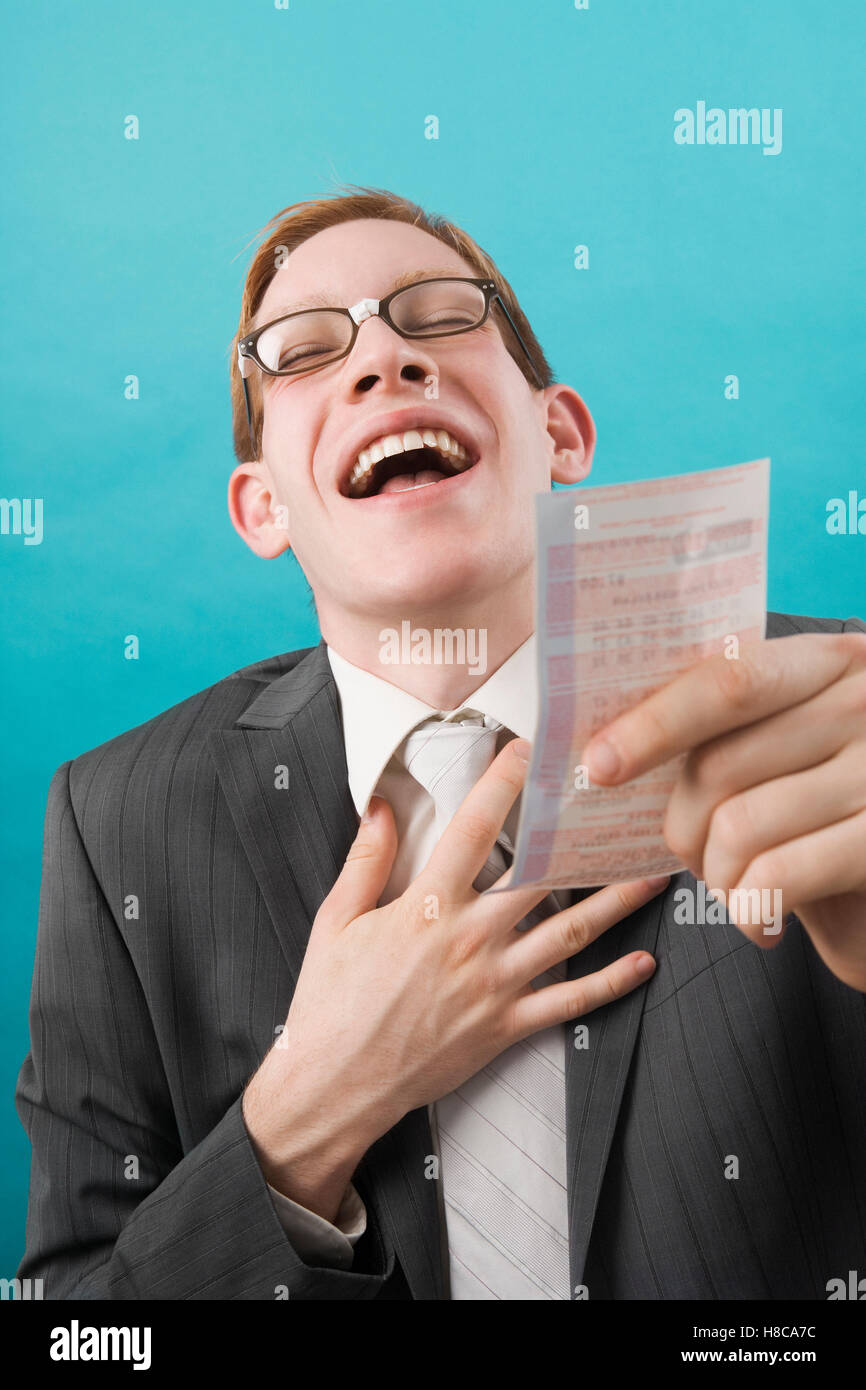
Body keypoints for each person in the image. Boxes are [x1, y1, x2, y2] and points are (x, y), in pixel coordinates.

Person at [15, 186, 866, 1300]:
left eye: (435, 314)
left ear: (558, 432)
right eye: (305, 349)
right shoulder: (115, 823)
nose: (381, 358)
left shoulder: (828, 719)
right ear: (261, 505)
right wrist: (302, 1119)